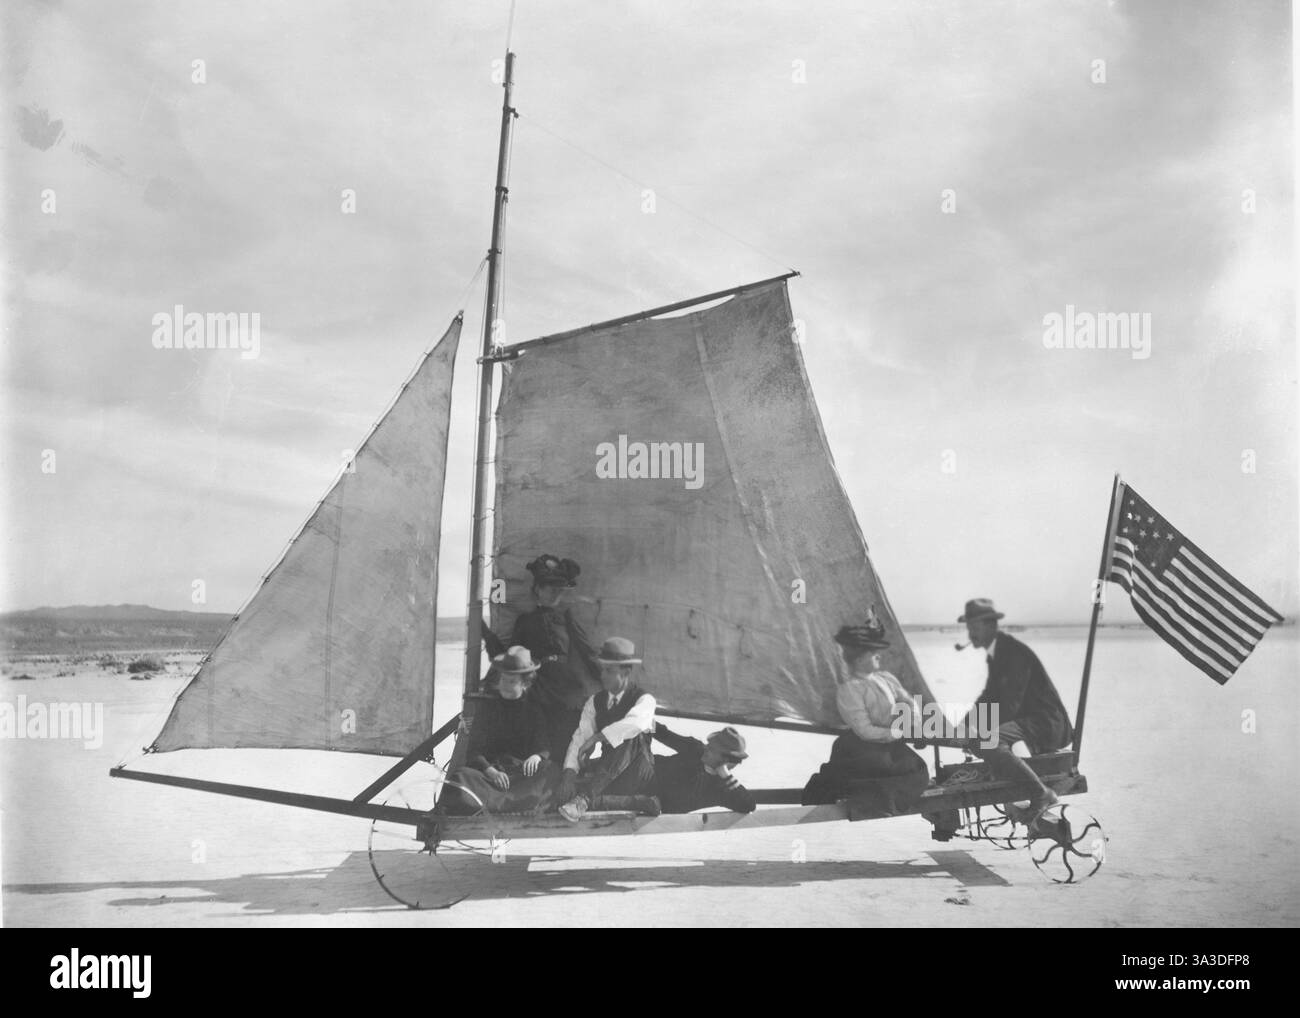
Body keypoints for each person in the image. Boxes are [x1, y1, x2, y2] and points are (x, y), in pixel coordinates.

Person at [955, 598, 1073, 823]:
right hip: (1029, 721)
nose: (970, 633)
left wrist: (976, 730)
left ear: (991, 626)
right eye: (969, 628)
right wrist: (964, 725)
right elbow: (988, 697)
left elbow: (1010, 706)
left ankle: (1041, 793)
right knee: (979, 739)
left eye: (974, 627)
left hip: (1046, 723)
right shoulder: (998, 652)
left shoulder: (1013, 653)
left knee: (987, 741)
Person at [801, 609, 929, 811]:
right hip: (860, 748)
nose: (878, 655)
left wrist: (914, 724)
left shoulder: (886, 678)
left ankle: (884, 801)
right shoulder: (850, 690)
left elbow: (909, 702)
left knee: (918, 772)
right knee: (880, 772)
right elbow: (864, 730)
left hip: (889, 744)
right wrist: (896, 733)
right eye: (872, 652)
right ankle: (876, 804)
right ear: (860, 658)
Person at [482, 554, 603, 763]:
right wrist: (484, 632)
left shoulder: (567, 616)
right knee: (538, 730)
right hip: (540, 682)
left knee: (569, 731)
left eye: (559, 588)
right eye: (550, 587)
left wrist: (606, 678)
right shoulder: (525, 621)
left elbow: (586, 649)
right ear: (537, 589)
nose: (556, 592)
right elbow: (510, 656)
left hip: (566, 683)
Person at [439, 647, 561, 815]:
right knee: (460, 777)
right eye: (503, 679)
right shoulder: (488, 708)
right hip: (492, 777)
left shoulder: (534, 709)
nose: (505, 685)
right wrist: (491, 771)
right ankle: (518, 804)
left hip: (521, 775)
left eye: (512, 681)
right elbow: (474, 751)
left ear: (525, 684)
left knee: (551, 770)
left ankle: (496, 804)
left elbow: (543, 744)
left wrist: (536, 756)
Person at [557, 637, 658, 822]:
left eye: (609, 671)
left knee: (632, 736)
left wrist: (598, 738)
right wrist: (569, 774)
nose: (602, 675)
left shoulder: (645, 700)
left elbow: (635, 724)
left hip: (637, 771)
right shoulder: (595, 702)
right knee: (563, 779)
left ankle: (583, 800)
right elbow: (580, 737)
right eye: (602, 669)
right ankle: (636, 802)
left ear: (627, 672)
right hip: (607, 775)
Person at [651, 724, 756, 814]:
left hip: (648, 799)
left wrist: (725, 774)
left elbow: (748, 805)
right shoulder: (696, 749)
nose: (706, 748)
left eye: (712, 748)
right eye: (708, 745)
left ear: (724, 760)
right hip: (643, 767)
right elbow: (664, 734)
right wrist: (643, 720)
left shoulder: (719, 788)